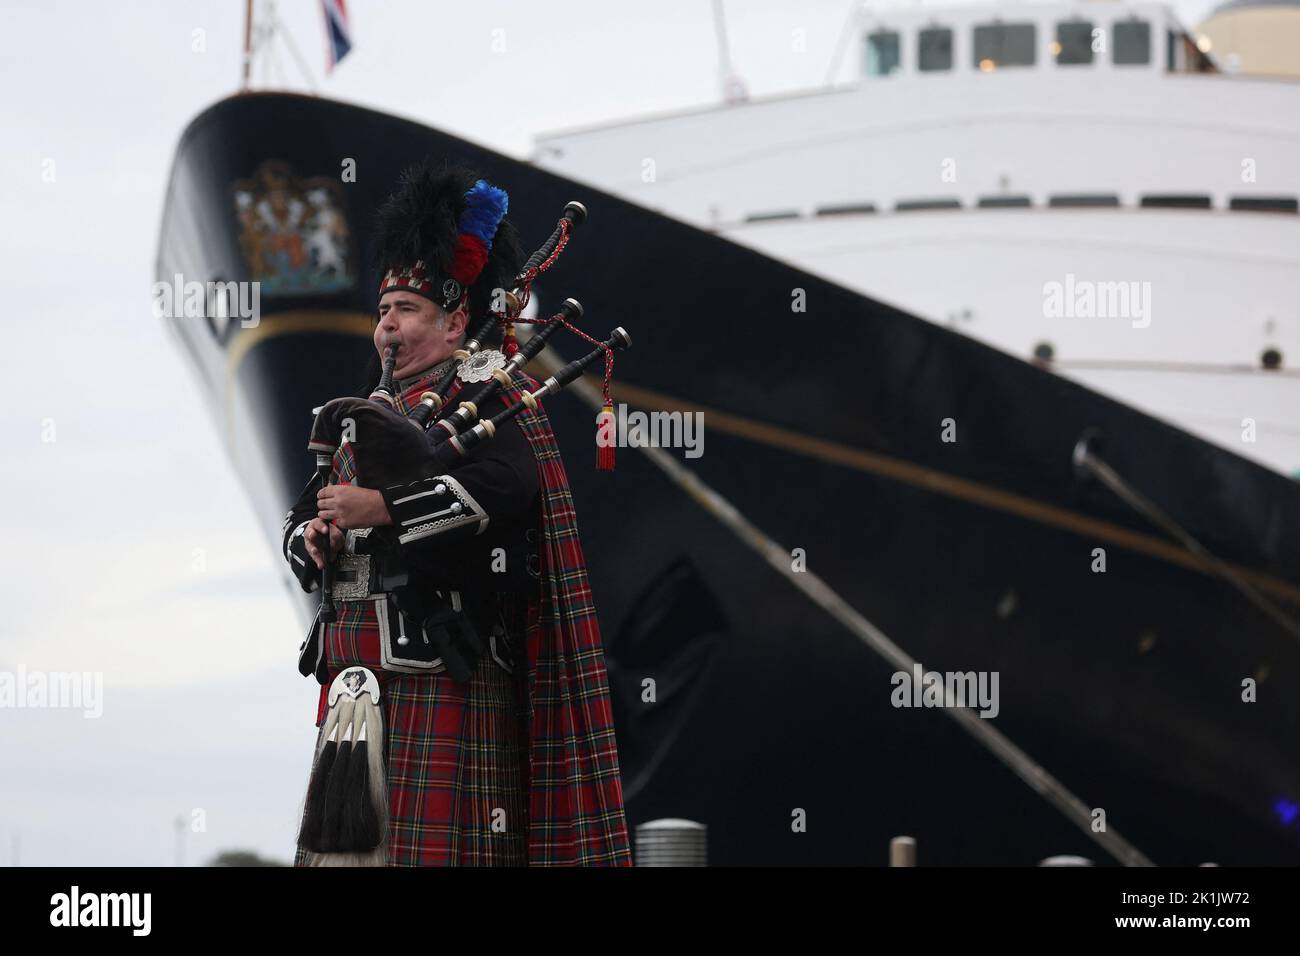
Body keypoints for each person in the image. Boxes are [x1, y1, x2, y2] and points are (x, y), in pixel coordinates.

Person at [280, 162, 631, 866]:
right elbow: (297, 523)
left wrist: (382, 507)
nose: (388, 327)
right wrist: (311, 539)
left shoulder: (494, 394)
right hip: (354, 690)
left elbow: (506, 488)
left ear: (455, 320)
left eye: (406, 311)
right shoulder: (362, 417)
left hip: (445, 679)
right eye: (384, 313)